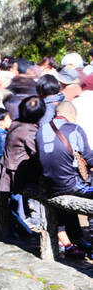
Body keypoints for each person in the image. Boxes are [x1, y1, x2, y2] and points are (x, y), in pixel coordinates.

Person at [37, 101, 93, 256]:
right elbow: (89, 156)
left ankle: (77, 240)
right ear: (72, 114)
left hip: (50, 185)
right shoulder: (74, 128)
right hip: (70, 184)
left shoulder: (41, 129)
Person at [0, 95, 44, 237]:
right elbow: (36, 152)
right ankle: (26, 231)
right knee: (15, 205)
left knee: (10, 205)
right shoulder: (28, 130)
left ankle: (13, 231)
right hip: (18, 172)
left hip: (7, 168)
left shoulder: (15, 123)